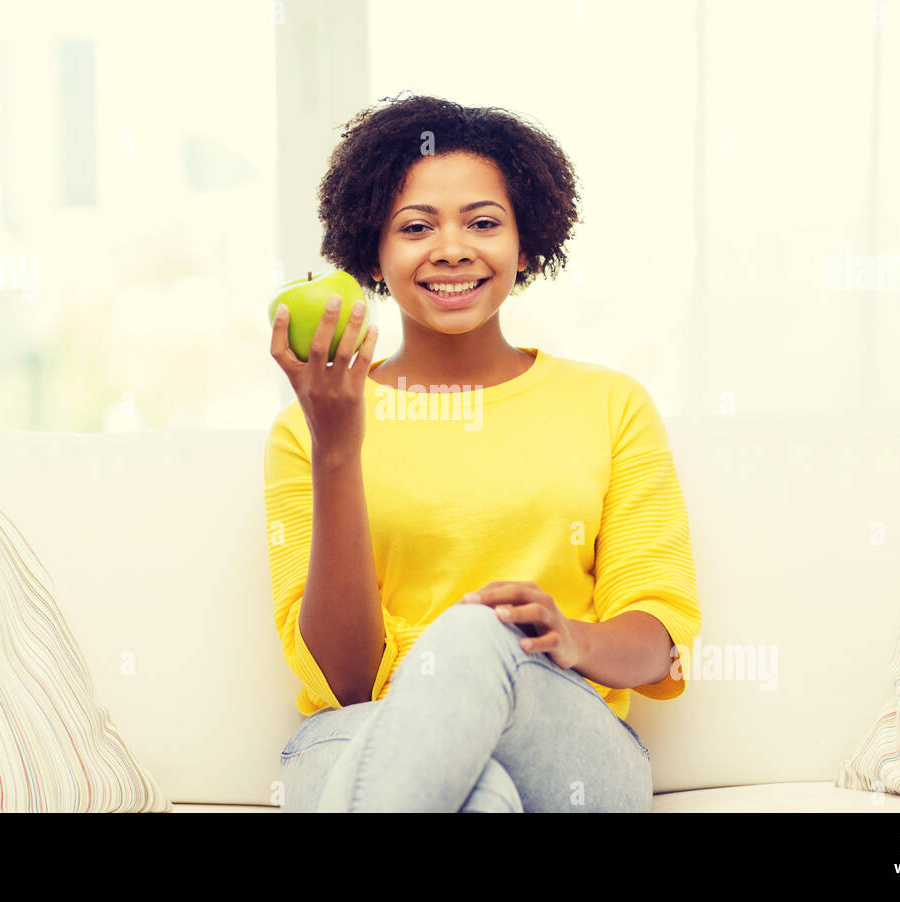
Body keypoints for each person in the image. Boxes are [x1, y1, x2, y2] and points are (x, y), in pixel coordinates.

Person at [264, 92, 700, 812]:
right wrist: (336, 450)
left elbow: (659, 642)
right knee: (481, 798)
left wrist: (569, 636)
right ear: (372, 251)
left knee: (476, 632)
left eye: (484, 223)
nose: (453, 248)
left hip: (565, 741)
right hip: (365, 730)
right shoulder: (309, 429)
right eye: (416, 227)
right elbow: (344, 681)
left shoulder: (611, 405)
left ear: (527, 244)